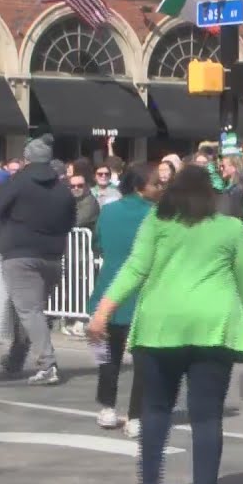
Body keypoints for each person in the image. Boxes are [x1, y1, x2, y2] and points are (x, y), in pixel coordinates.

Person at [86, 165, 243, 484]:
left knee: (156, 410)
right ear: (211, 195)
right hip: (215, 328)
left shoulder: (156, 223)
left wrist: (103, 311)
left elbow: (135, 269)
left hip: (160, 326)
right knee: (207, 418)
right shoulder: (229, 228)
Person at [0, 134, 77, 386]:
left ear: (26, 159)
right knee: (30, 311)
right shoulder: (63, 190)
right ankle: (16, 358)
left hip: (20, 254)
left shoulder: (18, 183)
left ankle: (48, 364)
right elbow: (70, 221)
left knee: (28, 310)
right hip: (53, 257)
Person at [88, 163, 163, 437]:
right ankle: (135, 417)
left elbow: (98, 244)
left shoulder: (108, 211)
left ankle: (107, 408)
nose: (160, 188)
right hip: (143, 293)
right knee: (143, 361)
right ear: (139, 186)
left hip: (108, 290)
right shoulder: (157, 215)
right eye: (156, 183)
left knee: (108, 357)